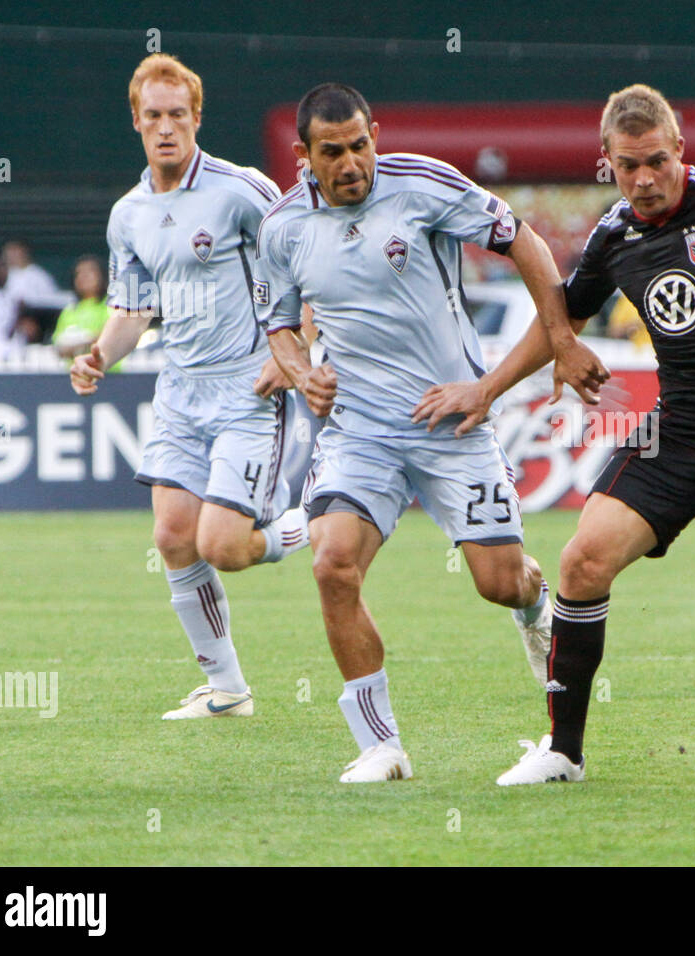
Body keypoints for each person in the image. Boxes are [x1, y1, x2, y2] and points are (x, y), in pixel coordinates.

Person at [416, 83, 695, 785]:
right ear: (608, 163)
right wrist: (489, 388)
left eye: (657, 160)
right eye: (628, 166)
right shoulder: (615, 235)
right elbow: (564, 315)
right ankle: (563, 751)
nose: (645, 179)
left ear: (680, 148)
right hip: (677, 429)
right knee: (580, 563)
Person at [257, 83, 609, 784]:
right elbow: (280, 325)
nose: (352, 162)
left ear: (375, 134)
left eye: (361, 144)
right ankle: (379, 746)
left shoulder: (422, 185)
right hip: (359, 433)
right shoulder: (282, 229)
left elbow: (524, 240)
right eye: (334, 152)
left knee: (498, 583)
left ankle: (535, 603)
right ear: (305, 157)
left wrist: (556, 342)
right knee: (332, 564)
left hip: (454, 422)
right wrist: (301, 371)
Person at [70, 53, 310, 721]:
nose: (167, 127)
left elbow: (305, 260)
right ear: (137, 122)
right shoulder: (129, 215)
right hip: (180, 391)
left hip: (247, 388)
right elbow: (132, 310)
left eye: (179, 114)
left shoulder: (243, 191)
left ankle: (306, 525)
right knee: (174, 536)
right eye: (154, 116)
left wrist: (293, 350)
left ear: (197, 118)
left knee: (224, 547)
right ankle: (227, 688)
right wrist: (99, 357)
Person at [53, 255, 117, 364]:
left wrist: (79, 345)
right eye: (79, 273)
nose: (84, 277)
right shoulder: (69, 311)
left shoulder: (114, 305)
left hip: (110, 375)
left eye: (90, 272)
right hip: (77, 376)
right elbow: (59, 347)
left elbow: (111, 338)